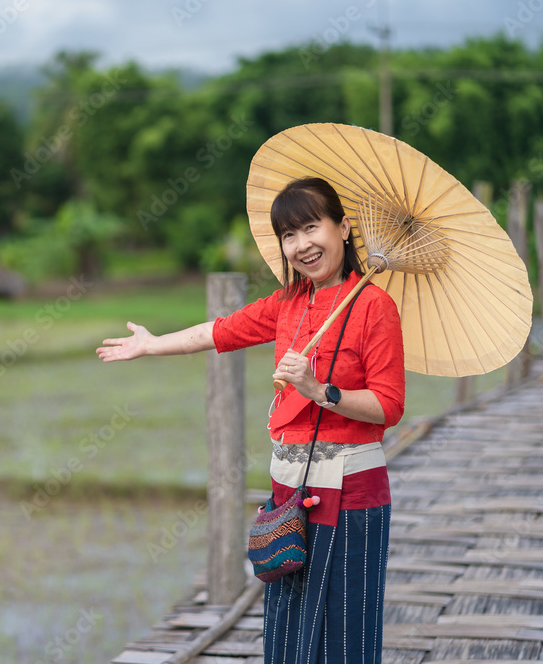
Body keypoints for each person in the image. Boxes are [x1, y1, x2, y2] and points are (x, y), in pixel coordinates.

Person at [96, 177, 405, 663]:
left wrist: (318, 390)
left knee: (345, 637)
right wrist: (152, 344)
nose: (301, 245)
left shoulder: (375, 307)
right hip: (289, 491)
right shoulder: (288, 304)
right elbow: (220, 332)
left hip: (351, 494)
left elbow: (389, 405)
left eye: (310, 227)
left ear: (343, 228)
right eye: (288, 234)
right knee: (286, 634)